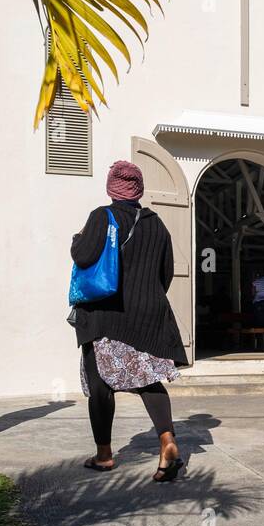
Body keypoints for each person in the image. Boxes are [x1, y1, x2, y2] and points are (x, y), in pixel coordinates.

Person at [72, 160, 188, 480]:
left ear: (111, 187)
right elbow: (165, 273)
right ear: (138, 189)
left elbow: (83, 257)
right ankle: (167, 442)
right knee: (148, 379)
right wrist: (146, 298)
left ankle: (104, 455)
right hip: (149, 315)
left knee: (100, 386)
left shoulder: (102, 217)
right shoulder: (157, 224)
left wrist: (77, 240)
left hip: (105, 315)